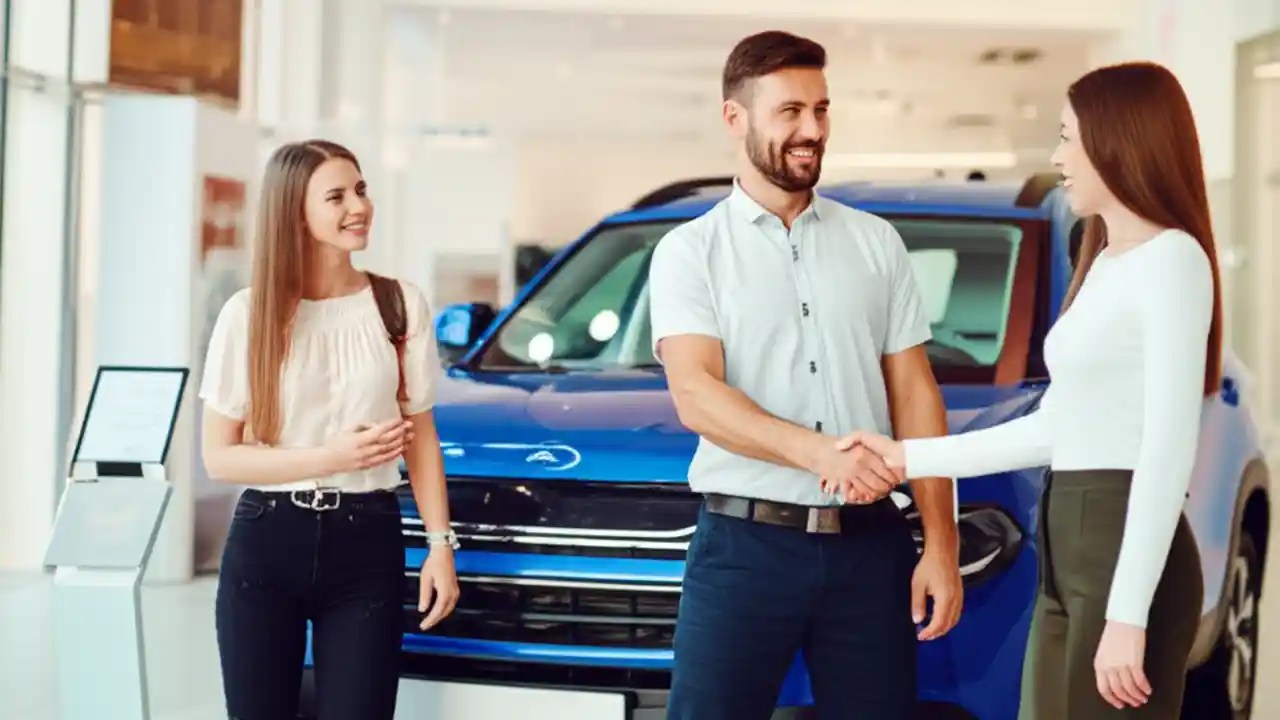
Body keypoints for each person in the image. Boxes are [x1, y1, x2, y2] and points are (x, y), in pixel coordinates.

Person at [834, 62, 1221, 719]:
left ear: (1117, 141)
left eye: (1067, 138)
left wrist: (1128, 616)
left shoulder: (1174, 261)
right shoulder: (1103, 261)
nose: (1056, 156)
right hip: (1066, 541)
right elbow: (1052, 428)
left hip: (1123, 546)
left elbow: (1167, 446)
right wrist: (905, 457)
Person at [648, 31, 963, 720]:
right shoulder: (690, 253)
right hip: (744, 550)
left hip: (871, 550)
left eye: (822, 110)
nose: (812, 130)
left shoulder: (875, 242)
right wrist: (821, 454)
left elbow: (915, 395)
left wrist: (941, 542)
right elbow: (698, 396)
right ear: (736, 118)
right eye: (790, 111)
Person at [199, 140, 460, 720]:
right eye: (337, 196)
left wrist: (440, 546)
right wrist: (328, 455)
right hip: (267, 540)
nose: (358, 206)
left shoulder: (398, 305)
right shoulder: (250, 314)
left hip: (366, 538)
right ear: (296, 210)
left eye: (361, 190)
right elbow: (221, 458)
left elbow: (420, 435)